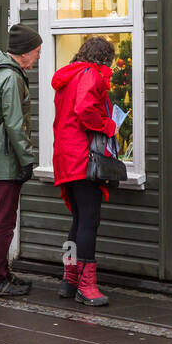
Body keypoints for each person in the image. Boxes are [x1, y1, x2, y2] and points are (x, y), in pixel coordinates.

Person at [0, 23, 42, 296]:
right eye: (37, 51)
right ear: (24, 53)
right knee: (3, 222)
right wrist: (27, 159)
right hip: (4, 161)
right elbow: (15, 124)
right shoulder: (11, 78)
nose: (38, 57)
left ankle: (0, 272)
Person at [50, 36, 118, 307]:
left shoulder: (69, 76)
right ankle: (86, 286)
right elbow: (85, 110)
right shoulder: (91, 74)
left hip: (65, 155)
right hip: (82, 157)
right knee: (89, 220)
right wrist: (107, 125)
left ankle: (69, 279)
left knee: (78, 220)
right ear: (104, 58)